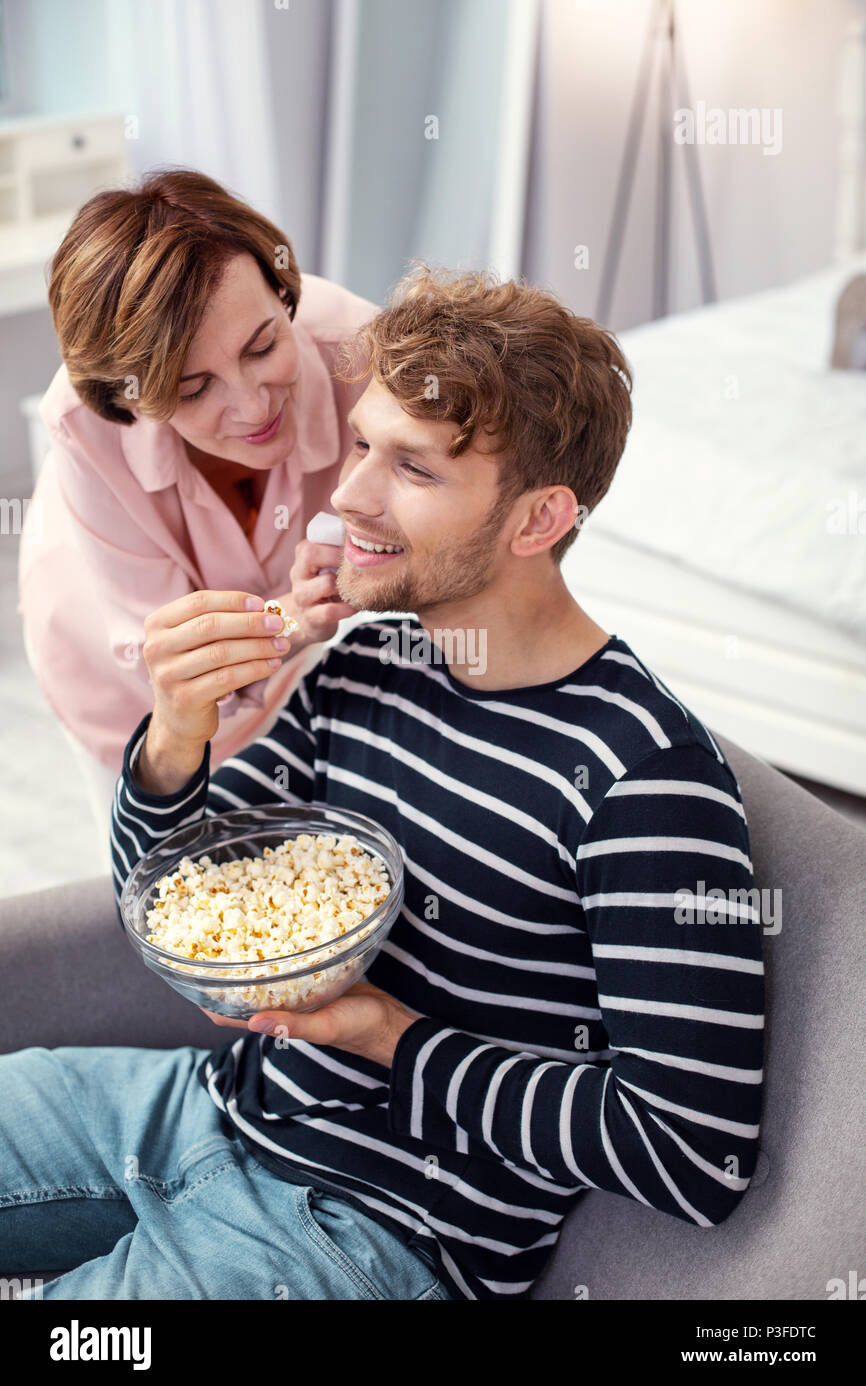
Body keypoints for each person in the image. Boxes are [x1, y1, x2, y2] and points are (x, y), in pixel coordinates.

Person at [3, 266, 765, 1301]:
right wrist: (178, 734)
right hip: (211, 1108)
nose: (345, 495)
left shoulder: (643, 780)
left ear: (537, 519)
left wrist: (387, 1035)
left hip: (371, 1230)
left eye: (410, 466)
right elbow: (173, 908)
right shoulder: (367, 665)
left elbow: (691, 1152)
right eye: (361, 442)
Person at [17, 168, 372, 857]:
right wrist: (292, 620)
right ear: (130, 401)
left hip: (282, 654)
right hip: (114, 659)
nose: (252, 405)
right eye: (192, 388)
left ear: (282, 289)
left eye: (263, 347)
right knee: (155, 872)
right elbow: (175, 669)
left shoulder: (358, 347)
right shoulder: (86, 423)